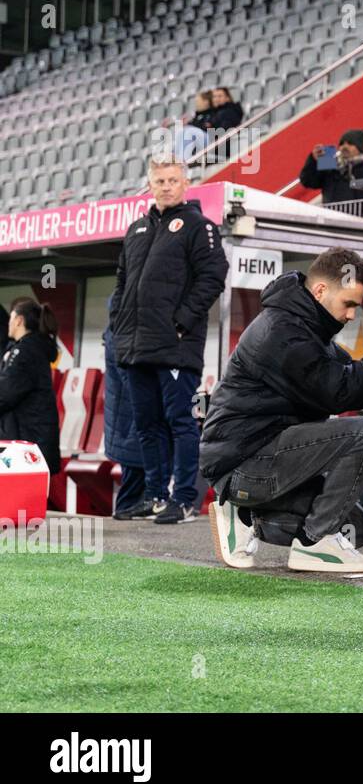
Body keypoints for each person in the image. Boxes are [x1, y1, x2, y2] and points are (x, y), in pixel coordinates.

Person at [199, 248, 363, 574]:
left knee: (356, 527)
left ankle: (244, 515)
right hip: (244, 462)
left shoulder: (311, 331)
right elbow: (338, 392)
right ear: (320, 291)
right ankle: (316, 543)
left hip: (261, 459)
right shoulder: (284, 332)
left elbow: (352, 384)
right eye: (349, 304)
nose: (352, 315)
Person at [111, 157, 228, 524]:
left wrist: (180, 322)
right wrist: (118, 326)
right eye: (159, 180)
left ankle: (184, 499)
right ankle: (156, 495)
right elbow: (121, 283)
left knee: (180, 421)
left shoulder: (199, 226)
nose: (165, 186)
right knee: (147, 424)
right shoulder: (136, 230)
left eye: (172, 180)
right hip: (135, 345)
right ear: (150, 183)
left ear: (185, 184)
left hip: (177, 347)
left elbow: (213, 277)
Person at [104, 294, 165, 519]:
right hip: (131, 425)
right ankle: (121, 543)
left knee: (134, 492)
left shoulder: (120, 331)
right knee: (130, 498)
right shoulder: (121, 336)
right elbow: (134, 384)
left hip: (131, 424)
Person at [0, 297, 61, 476]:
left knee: (24, 500)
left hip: (30, 439)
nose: (8, 323)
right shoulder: (30, 348)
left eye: (11, 318)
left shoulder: (25, 352)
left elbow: (5, 394)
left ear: (19, 320)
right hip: (32, 436)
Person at [298, 129, 363, 205]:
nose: (344, 146)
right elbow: (307, 181)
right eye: (342, 143)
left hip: (357, 218)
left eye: (350, 143)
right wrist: (313, 160)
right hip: (331, 218)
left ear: (359, 148)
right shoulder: (330, 167)